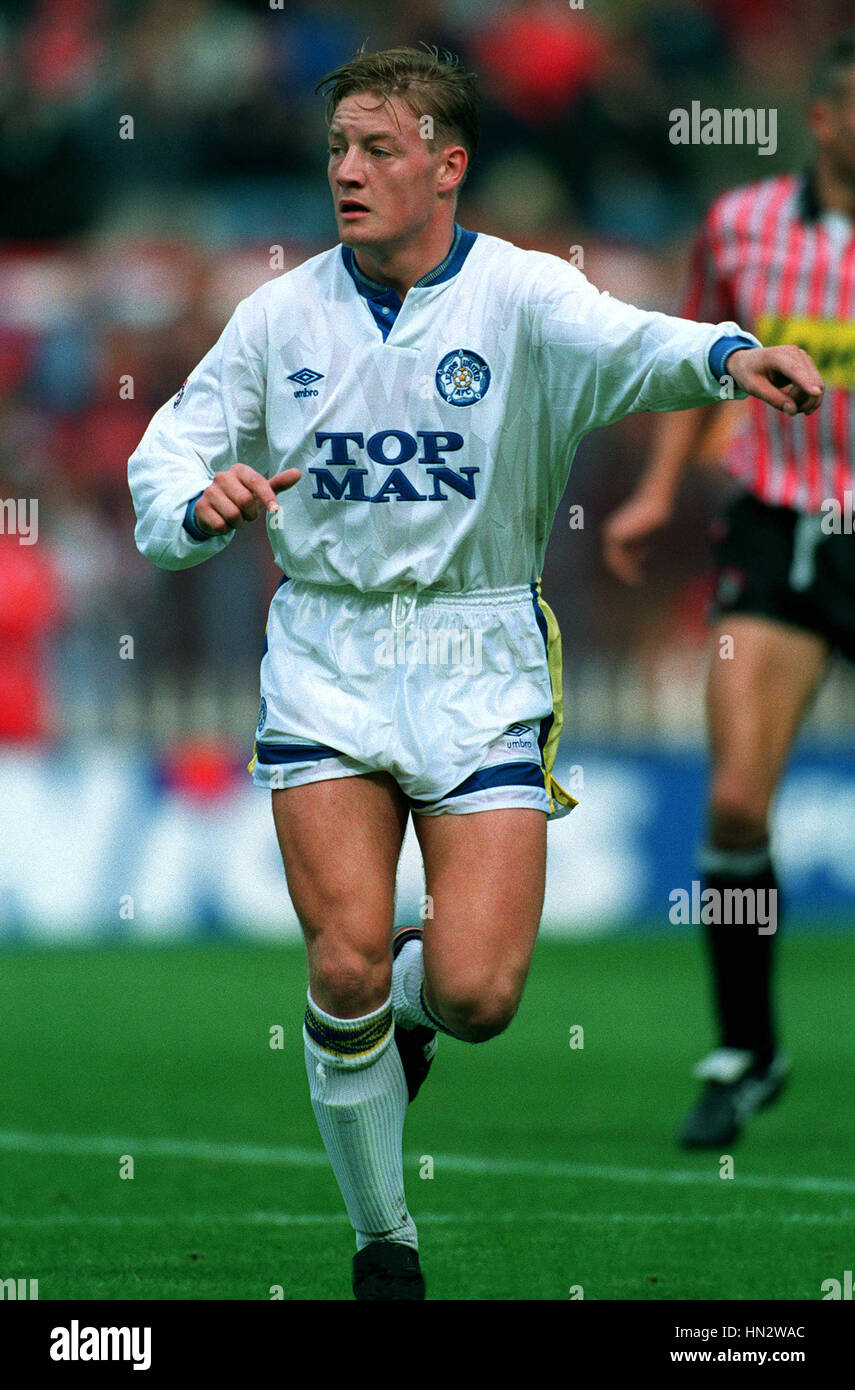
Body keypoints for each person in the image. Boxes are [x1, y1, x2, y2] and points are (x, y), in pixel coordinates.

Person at [129, 45, 823, 1298]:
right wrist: (200, 500)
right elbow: (162, 463)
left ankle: (407, 996)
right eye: (338, 147)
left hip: (480, 652)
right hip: (329, 649)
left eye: (378, 148)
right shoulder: (277, 316)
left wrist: (729, 357)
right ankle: (384, 1242)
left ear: (448, 167)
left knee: (481, 992)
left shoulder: (521, 296)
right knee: (334, 961)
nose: (347, 170)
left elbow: (636, 340)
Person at [603, 32, 855, 1151]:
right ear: (823, 115)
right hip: (777, 521)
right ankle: (746, 1049)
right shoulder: (741, 226)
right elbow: (698, 361)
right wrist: (659, 491)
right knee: (737, 801)